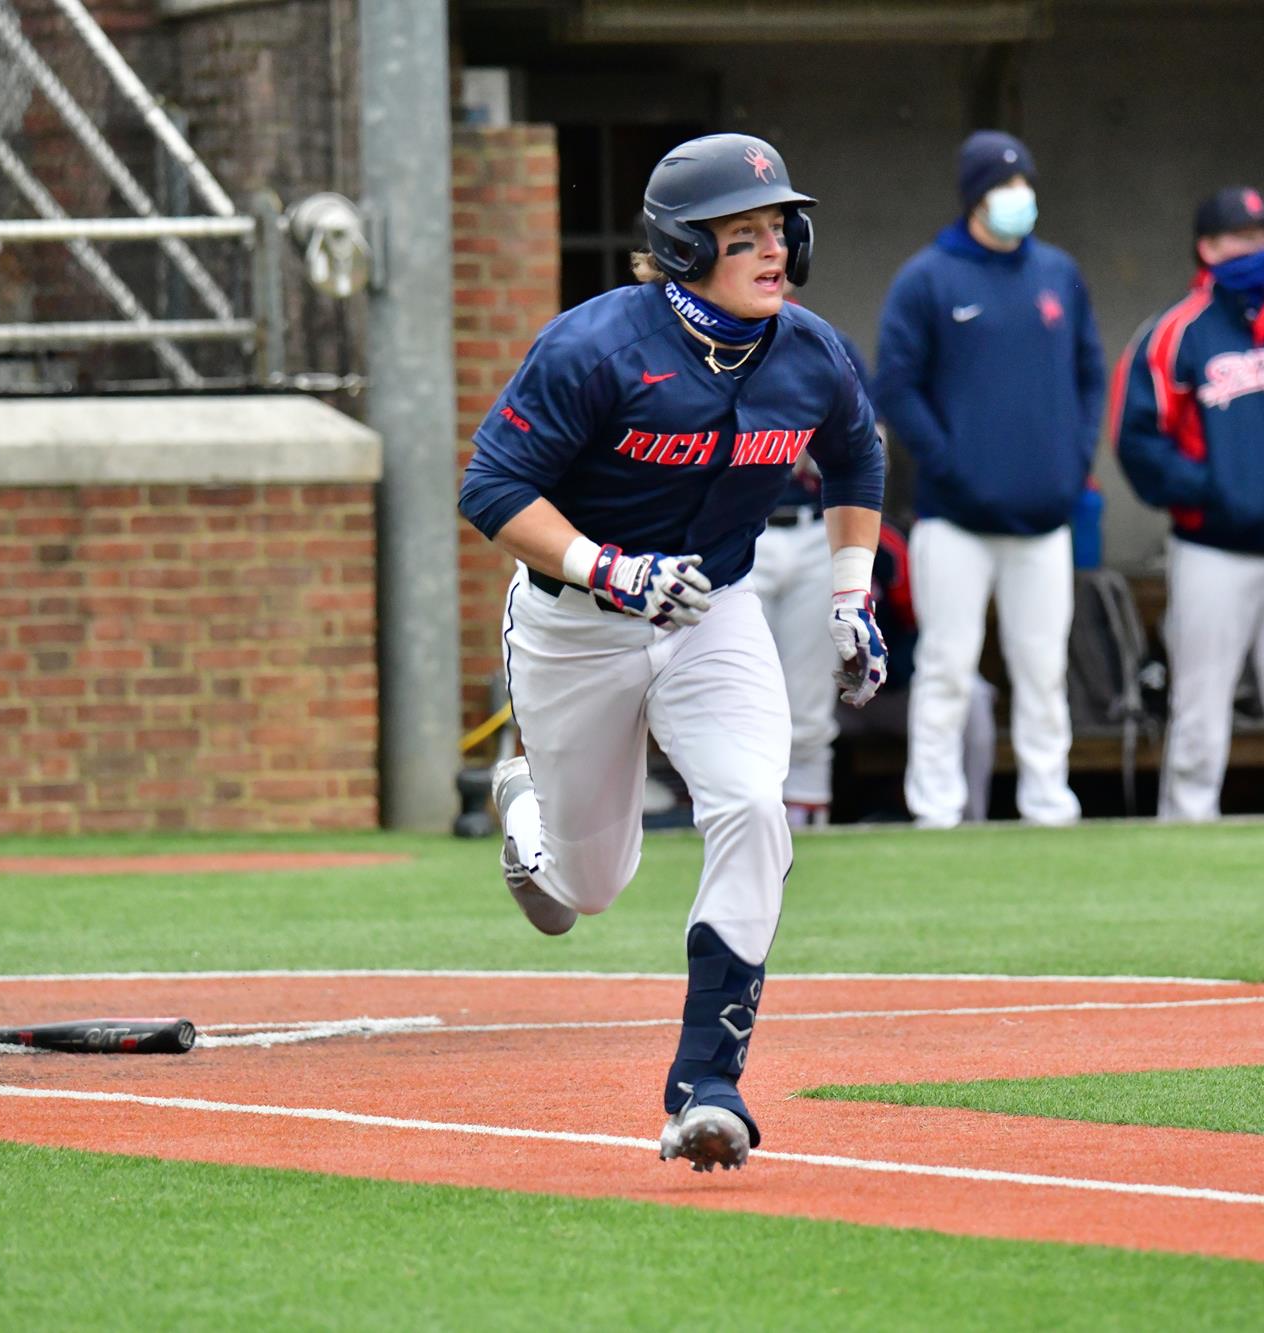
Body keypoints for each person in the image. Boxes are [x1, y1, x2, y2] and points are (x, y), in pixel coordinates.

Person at [457, 134, 886, 1173]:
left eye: (782, 228)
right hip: (573, 625)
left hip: (713, 611)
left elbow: (856, 453)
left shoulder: (808, 351)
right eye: (743, 236)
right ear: (681, 250)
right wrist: (607, 568)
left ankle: (707, 1085)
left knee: (749, 804)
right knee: (583, 891)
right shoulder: (594, 347)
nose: (775, 251)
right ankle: (526, 813)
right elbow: (491, 490)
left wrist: (849, 596)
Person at [873, 130, 1105, 828]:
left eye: (1025, 184)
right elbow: (897, 387)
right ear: (976, 197)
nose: (1020, 197)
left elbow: (1091, 374)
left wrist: (1075, 455)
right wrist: (950, 462)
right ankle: (936, 806)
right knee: (946, 665)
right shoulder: (927, 279)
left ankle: (1047, 797)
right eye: (1006, 186)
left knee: (1042, 668)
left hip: (1044, 515)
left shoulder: (1059, 274)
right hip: (955, 518)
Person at [1114, 186, 1264, 821]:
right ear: (1207, 248)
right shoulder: (1175, 335)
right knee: (1200, 709)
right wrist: (1210, 494)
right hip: (1214, 552)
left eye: (1262, 236)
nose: (1256, 248)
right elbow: (1138, 444)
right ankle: (1188, 838)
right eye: (1241, 237)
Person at [750, 305, 874, 828]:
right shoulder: (698, 350)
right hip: (739, 534)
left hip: (808, 527)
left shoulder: (825, 344)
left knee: (807, 703)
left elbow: (865, 449)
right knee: (731, 698)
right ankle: (734, 824)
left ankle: (807, 819)